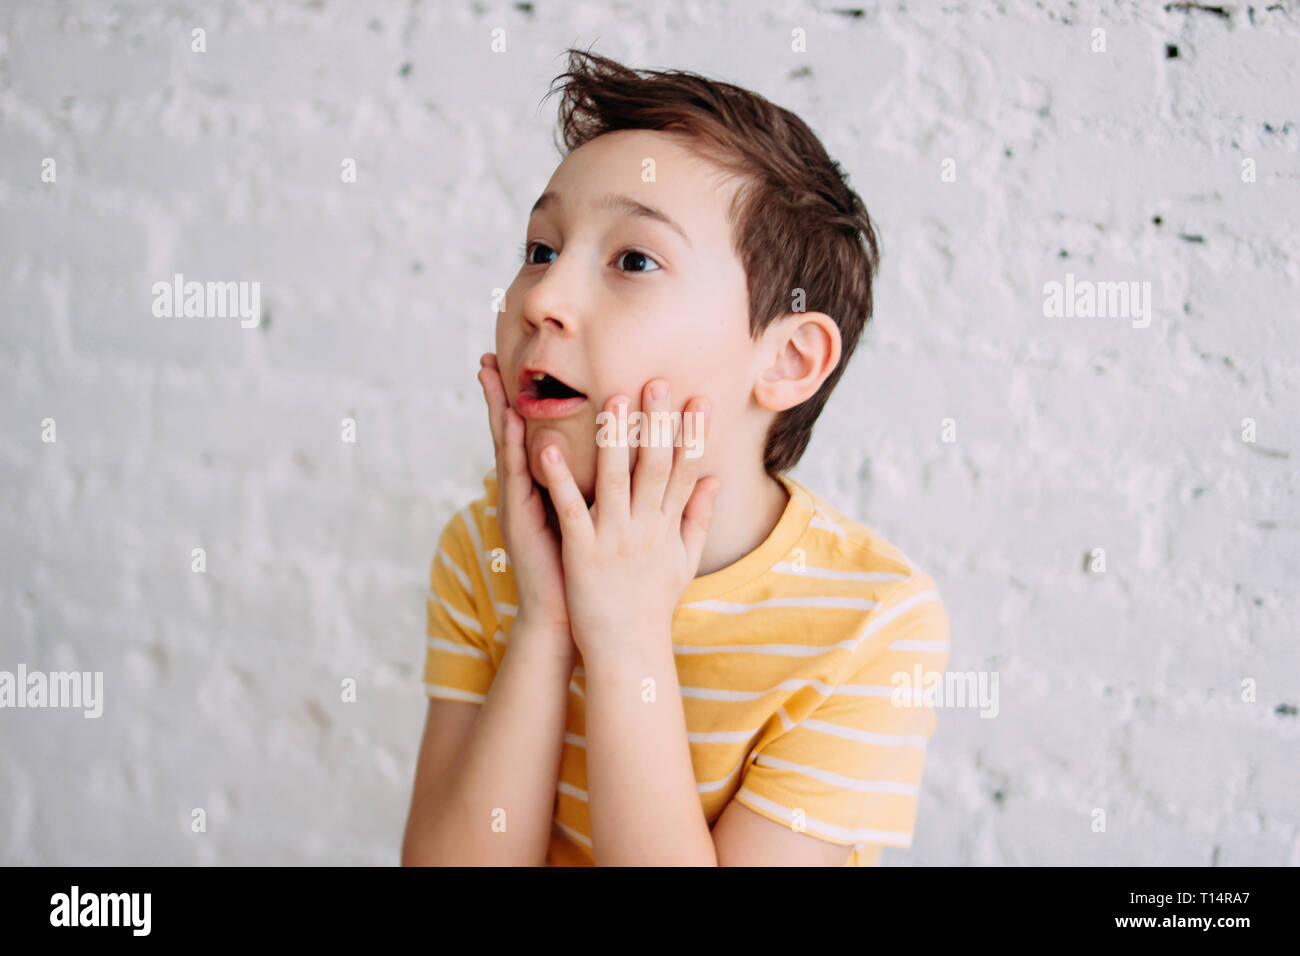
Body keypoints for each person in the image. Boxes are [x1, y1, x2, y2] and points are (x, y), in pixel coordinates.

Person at [402, 48, 950, 866]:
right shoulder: (484, 551)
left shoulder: (869, 625)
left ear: (787, 360)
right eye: (541, 250)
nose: (541, 300)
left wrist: (623, 635)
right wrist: (545, 622)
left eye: (633, 260)